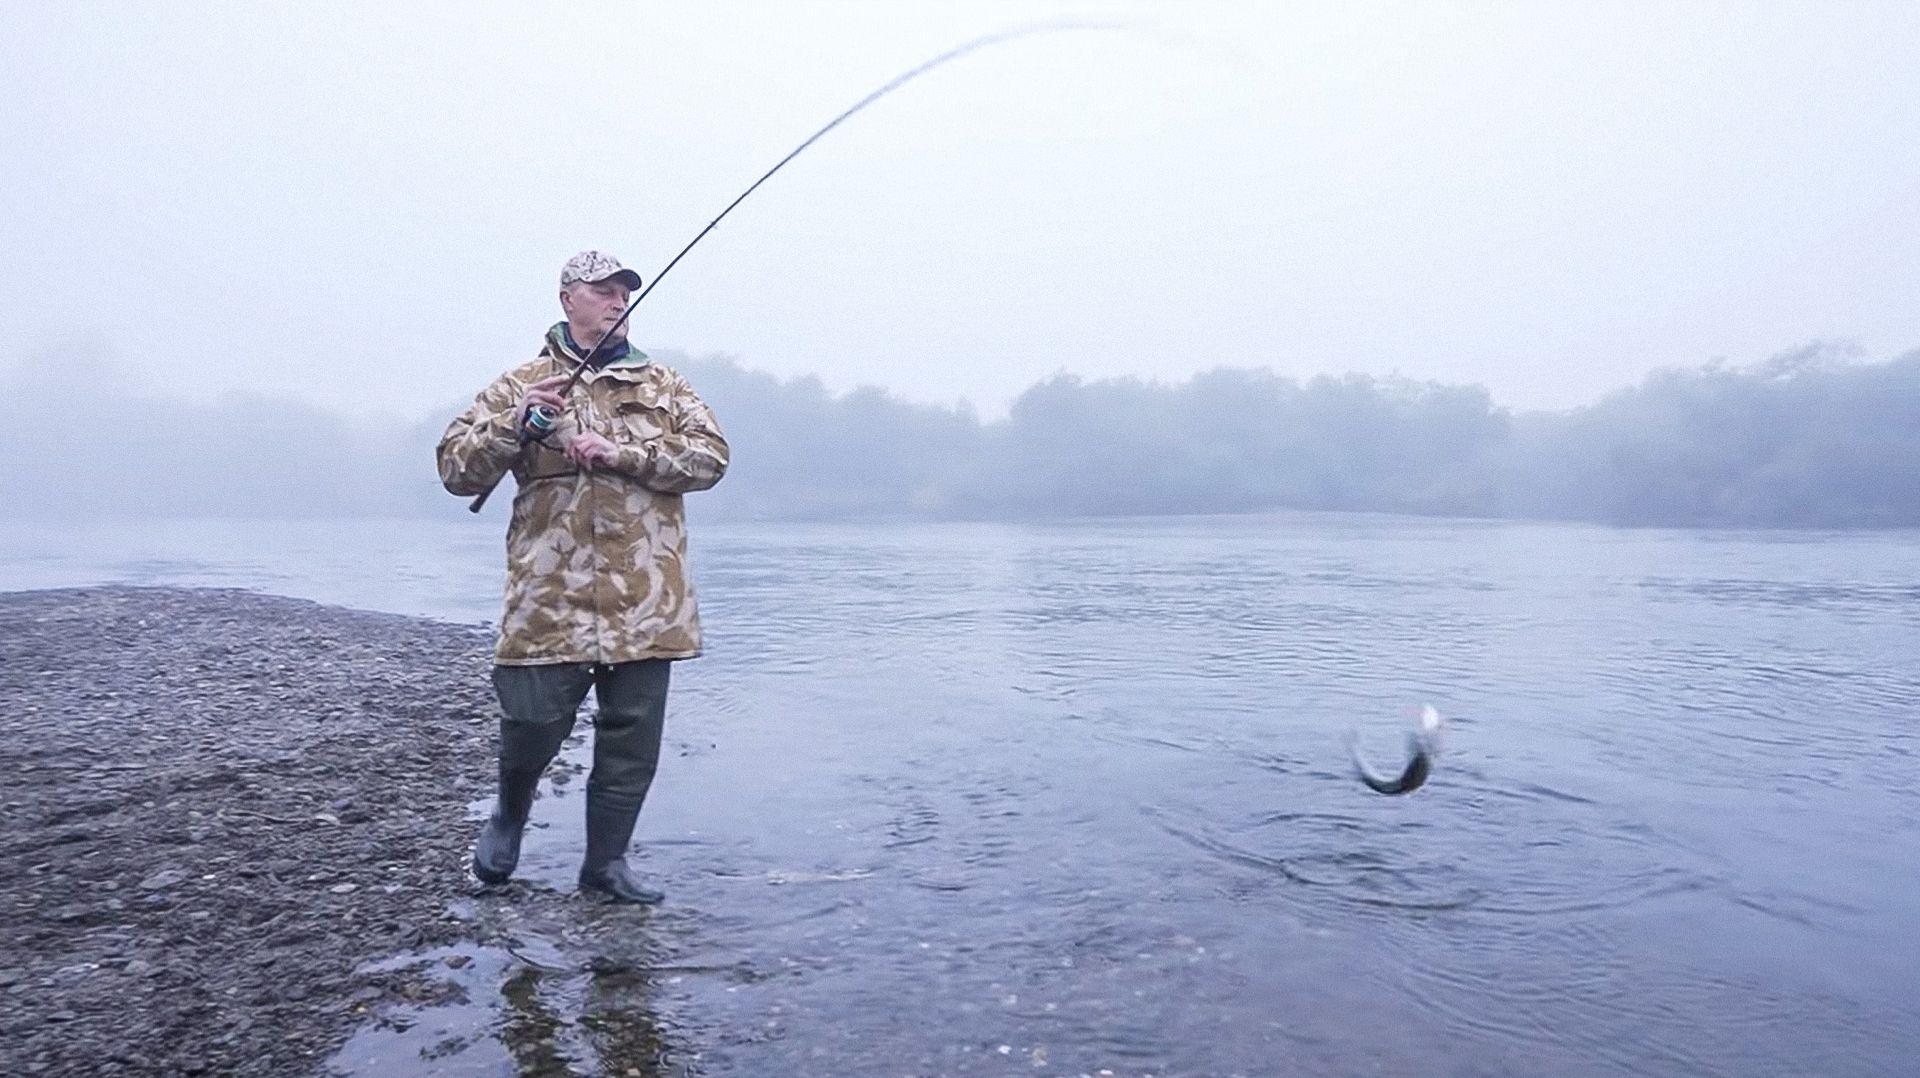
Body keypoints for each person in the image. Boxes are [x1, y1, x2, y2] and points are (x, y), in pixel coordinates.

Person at [436, 250, 729, 903]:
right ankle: (509, 815)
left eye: (624, 291)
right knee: (531, 723)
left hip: (649, 599)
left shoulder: (665, 386)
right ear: (568, 298)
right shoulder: (522, 383)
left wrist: (622, 454)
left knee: (631, 742)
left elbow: (711, 460)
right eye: (602, 290)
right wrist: (516, 428)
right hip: (549, 596)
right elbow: (456, 470)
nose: (617, 300)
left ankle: (605, 865)